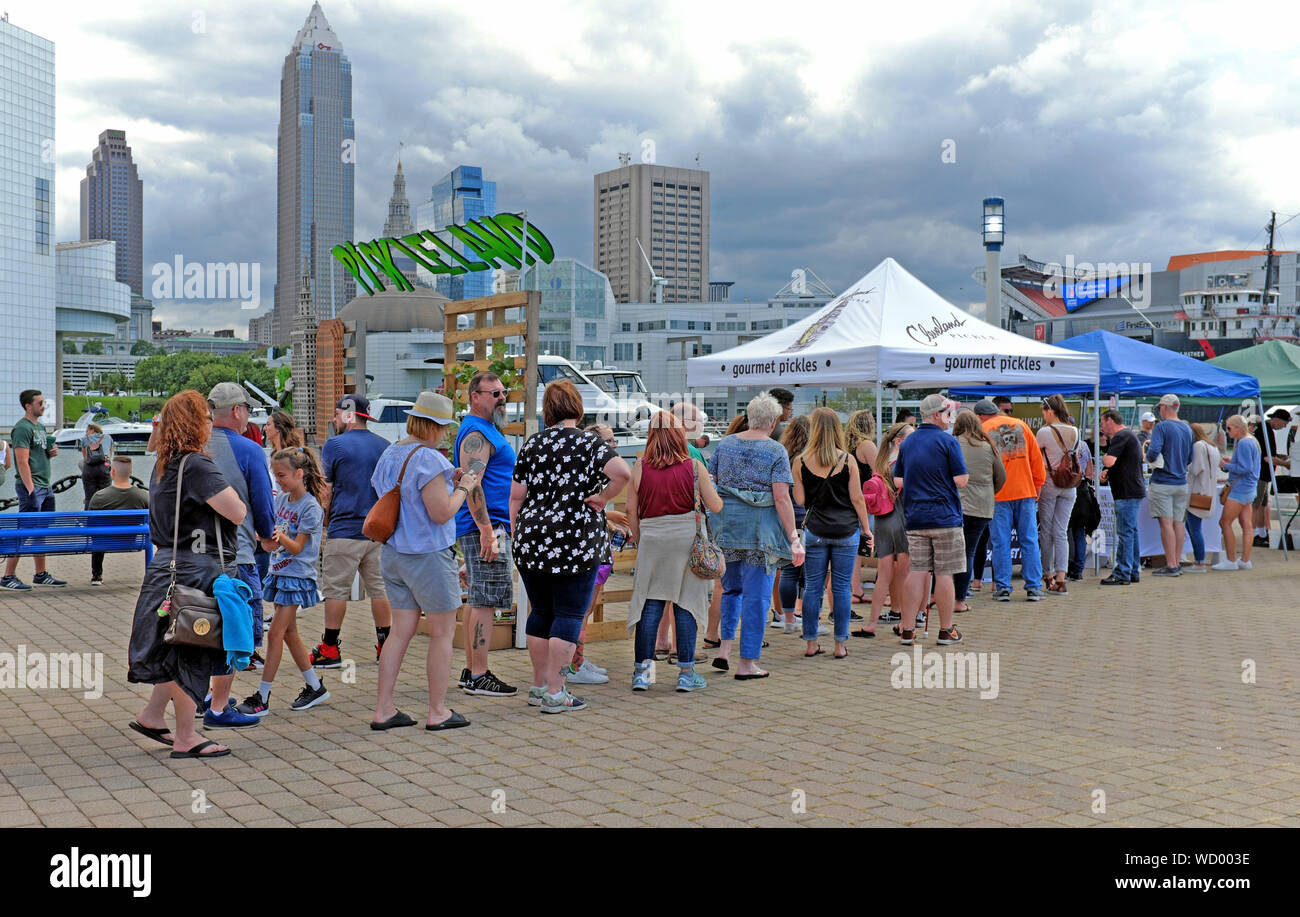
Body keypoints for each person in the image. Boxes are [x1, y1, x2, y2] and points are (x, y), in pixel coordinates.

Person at [126, 390, 249, 758]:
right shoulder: (196, 464)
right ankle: (186, 737)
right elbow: (237, 512)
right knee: (188, 651)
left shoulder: (164, 464)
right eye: (207, 418)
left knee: (170, 643)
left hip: (166, 565)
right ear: (194, 424)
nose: (211, 424)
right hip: (194, 567)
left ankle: (151, 715)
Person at [510, 380, 631, 713]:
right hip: (575, 539)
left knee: (541, 613)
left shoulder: (532, 444)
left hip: (531, 538)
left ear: (548, 410)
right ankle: (556, 690)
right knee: (569, 614)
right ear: (577, 408)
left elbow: (516, 496)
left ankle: (537, 686)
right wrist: (603, 498)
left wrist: (516, 533)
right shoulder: (589, 443)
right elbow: (623, 472)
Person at [368, 392, 479, 730]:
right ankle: (438, 711)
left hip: (394, 553)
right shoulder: (430, 459)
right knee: (443, 632)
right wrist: (464, 487)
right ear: (435, 425)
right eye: (444, 427)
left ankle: (384, 708)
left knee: (400, 632)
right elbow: (441, 511)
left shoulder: (390, 452)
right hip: (427, 556)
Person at [708, 393, 803, 678]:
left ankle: (724, 649)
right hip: (760, 534)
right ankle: (746, 662)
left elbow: (711, 483)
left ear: (749, 417)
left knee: (730, 590)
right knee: (757, 597)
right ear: (773, 421)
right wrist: (794, 538)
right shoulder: (776, 451)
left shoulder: (724, 445)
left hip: (726, 529)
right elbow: (782, 498)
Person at [626, 411, 722, 692]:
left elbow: (631, 510)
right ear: (680, 435)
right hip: (686, 539)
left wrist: (641, 537)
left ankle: (642, 673)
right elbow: (715, 506)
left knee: (650, 602)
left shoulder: (640, 467)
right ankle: (686, 673)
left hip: (653, 539)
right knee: (686, 603)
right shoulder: (694, 467)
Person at [200, 382, 274, 728]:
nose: (248, 417)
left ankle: (199, 696)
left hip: (192, 555)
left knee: (197, 627)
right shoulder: (249, 450)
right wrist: (268, 536)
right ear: (236, 410)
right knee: (234, 630)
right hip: (235, 553)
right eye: (246, 409)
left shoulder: (191, 447)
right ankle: (217, 707)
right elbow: (263, 504)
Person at [237, 448, 329, 714]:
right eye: (275, 475)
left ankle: (262, 696)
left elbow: (298, 547)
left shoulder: (310, 506)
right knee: (288, 634)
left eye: (282, 475)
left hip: (296, 577)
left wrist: (278, 536)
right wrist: (264, 539)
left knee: (276, 634)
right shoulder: (283, 501)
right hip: (280, 572)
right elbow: (274, 543)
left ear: (299, 474)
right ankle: (315, 687)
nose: (278, 480)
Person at [312, 395, 394, 669]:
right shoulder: (384, 446)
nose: (334, 420)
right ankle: (386, 645)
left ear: (347, 415)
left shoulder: (334, 445)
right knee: (379, 590)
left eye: (336, 415)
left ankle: (330, 648)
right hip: (378, 532)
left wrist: (324, 520)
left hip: (345, 529)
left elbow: (327, 489)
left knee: (336, 591)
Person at [454, 372, 519, 698]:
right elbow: (471, 482)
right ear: (474, 396)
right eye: (493, 393)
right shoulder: (476, 432)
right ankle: (479, 674)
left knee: (480, 597)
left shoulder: (488, 429)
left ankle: (471, 671)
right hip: (486, 525)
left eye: (503, 392)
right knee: (485, 600)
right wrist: (486, 532)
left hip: (490, 524)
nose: (501, 397)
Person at [792, 408, 872, 659]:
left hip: (815, 529)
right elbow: (857, 498)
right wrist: (867, 529)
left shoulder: (800, 461)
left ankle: (811, 643)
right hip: (846, 530)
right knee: (841, 588)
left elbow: (801, 499)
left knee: (813, 587)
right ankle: (840, 645)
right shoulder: (847, 460)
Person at [892, 395, 968, 645]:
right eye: (947, 414)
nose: (949, 419)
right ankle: (946, 630)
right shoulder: (948, 442)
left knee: (917, 571)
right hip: (945, 517)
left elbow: (898, 481)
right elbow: (961, 479)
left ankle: (907, 629)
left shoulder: (908, 443)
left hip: (916, 517)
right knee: (945, 573)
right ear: (937, 415)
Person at [981, 395, 1046, 601]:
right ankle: (1034, 587)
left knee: (1000, 542)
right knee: (1029, 540)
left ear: (981, 416)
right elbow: (1037, 460)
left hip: (998, 494)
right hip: (1025, 491)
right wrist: (1037, 486)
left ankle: (1002, 588)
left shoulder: (983, 430)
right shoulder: (1021, 426)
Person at [855, 421, 912, 638]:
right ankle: (906, 623)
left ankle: (871, 624)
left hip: (882, 521)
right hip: (901, 521)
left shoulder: (882, 462)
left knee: (883, 576)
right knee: (905, 575)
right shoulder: (902, 463)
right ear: (899, 441)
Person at [3, 389, 65, 591]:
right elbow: (21, 462)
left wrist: (50, 453)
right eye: (40, 403)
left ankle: (40, 574)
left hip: (45, 486)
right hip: (32, 487)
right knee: (24, 531)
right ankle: (8, 575)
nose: (43, 405)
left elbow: (38, 454)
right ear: (28, 406)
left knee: (41, 531)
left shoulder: (40, 427)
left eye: (44, 402)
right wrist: (31, 489)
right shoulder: (22, 428)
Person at [953, 407, 1005, 612]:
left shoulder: (953, 444)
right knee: (969, 552)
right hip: (982, 508)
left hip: (956, 506)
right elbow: (1001, 477)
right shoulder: (988, 447)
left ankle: (937, 595)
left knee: (949, 553)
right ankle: (959, 599)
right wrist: (989, 492)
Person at [1145, 394, 1194, 577]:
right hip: (1181, 482)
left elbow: (1154, 452)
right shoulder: (1187, 428)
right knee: (1178, 523)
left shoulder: (1162, 426)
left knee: (1166, 524)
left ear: (1164, 408)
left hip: (1163, 481)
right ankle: (1177, 561)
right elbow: (1190, 457)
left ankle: (1171, 564)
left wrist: (1149, 455)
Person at [1036, 394, 1081, 594]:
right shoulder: (1076, 431)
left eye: (1044, 411)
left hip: (1049, 482)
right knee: (1061, 531)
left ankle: (1049, 575)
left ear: (1050, 411)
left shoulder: (1044, 432)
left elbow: (1036, 460)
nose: (1043, 415)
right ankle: (1062, 579)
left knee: (1046, 530)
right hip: (1070, 485)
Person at [1099, 410, 1146, 585]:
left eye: (1102, 422)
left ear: (1110, 420)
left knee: (1125, 533)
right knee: (1131, 532)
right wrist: (1109, 473)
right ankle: (1133, 570)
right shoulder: (1130, 435)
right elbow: (1122, 463)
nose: (1101, 427)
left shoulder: (1120, 436)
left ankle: (1122, 572)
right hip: (1133, 490)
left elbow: (1110, 460)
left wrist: (1105, 460)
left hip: (1126, 492)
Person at [774, 416, 810, 633]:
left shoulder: (783, 454)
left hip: (787, 517)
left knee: (788, 569)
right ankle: (806, 616)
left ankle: (787, 618)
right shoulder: (810, 458)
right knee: (809, 573)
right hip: (806, 517)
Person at [88, 456, 148, 586]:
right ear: (130, 473)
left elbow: (90, 524)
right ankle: (150, 575)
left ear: (112, 472)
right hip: (131, 541)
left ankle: (97, 575)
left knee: (97, 534)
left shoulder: (99, 496)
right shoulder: (143, 496)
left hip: (104, 542)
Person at [1214, 414, 1261, 571]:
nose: (1227, 431)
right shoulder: (1251, 440)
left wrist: (1227, 466)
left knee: (1225, 522)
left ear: (1238, 428)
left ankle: (1231, 559)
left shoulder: (1244, 443)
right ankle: (1245, 560)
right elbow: (1248, 465)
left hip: (1240, 488)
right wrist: (1231, 462)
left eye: (1229, 428)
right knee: (1246, 524)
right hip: (1248, 487)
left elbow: (1245, 468)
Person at [844, 410, 878, 604]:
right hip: (865, 502)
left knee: (855, 549)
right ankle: (856, 590)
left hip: (848, 500)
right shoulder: (867, 445)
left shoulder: (847, 445)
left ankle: (855, 589)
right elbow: (879, 472)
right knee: (861, 547)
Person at [1184, 422, 1220, 574]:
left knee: (1194, 527)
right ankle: (1199, 560)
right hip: (1208, 491)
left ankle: (1199, 562)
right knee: (1192, 526)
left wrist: (1186, 466)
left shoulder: (1198, 446)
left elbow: (1197, 468)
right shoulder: (1212, 446)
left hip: (1197, 492)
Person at [1252, 408, 1290, 546]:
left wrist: (1279, 456)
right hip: (1260, 473)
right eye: (1284, 424)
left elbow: (1269, 453)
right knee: (1256, 504)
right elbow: (1266, 456)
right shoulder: (1264, 430)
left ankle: (1262, 533)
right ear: (1278, 420)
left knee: (1262, 504)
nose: (1284, 427)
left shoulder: (1267, 429)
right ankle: (1254, 533)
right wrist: (1285, 464)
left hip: (1265, 473)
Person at [1065, 436, 1097, 581]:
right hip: (1083, 490)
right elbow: (1090, 472)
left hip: (1067, 488)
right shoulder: (1083, 445)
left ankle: (1067, 567)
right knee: (1079, 531)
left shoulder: (1062, 443)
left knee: (1065, 531)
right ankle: (1078, 570)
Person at [80, 422, 114, 510]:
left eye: (87, 431)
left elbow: (85, 457)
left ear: (92, 430)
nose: (86, 433)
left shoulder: (84, 439)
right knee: (106, 497)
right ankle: (105, 519)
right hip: (105, 466)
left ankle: (88, 519)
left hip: (89, 468)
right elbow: (110, 455)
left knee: (89, 498)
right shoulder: (108, 437)